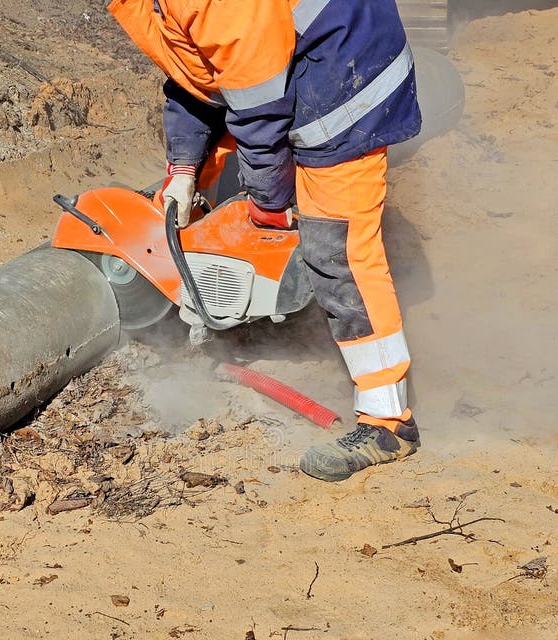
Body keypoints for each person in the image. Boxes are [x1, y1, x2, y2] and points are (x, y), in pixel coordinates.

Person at [109, 0, 422, 481]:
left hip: (345, 81)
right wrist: (186, 165)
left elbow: (255, 97)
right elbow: (198, 70)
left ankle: (389, 423)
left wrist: (269, 198)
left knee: (338, 250)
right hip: (298, 64)